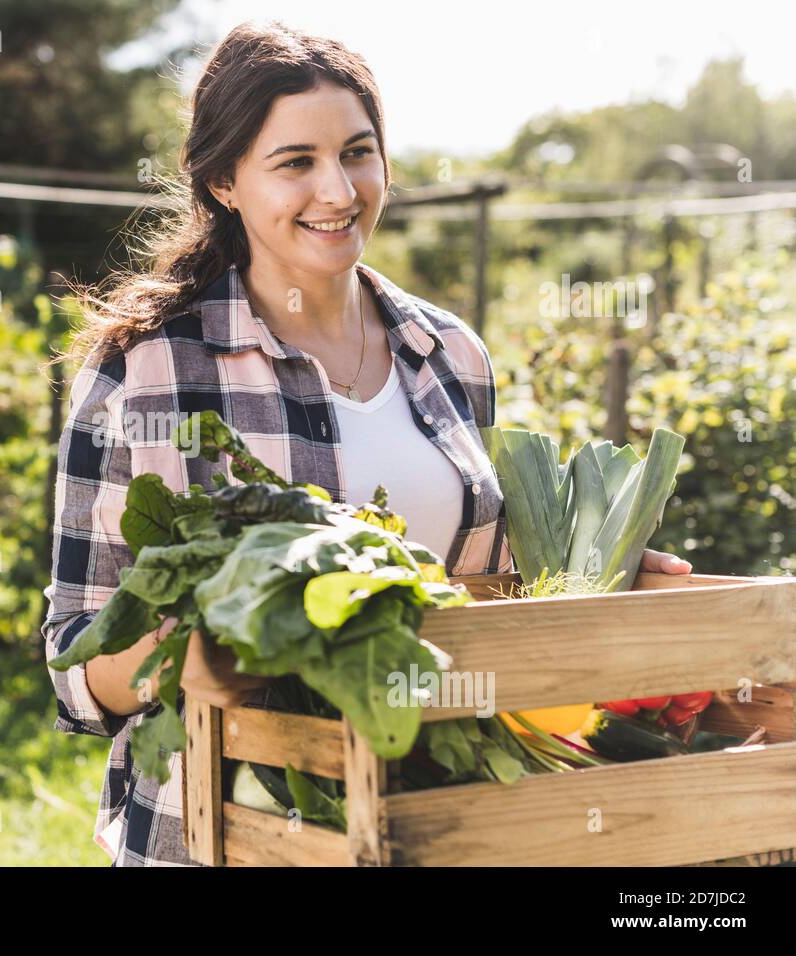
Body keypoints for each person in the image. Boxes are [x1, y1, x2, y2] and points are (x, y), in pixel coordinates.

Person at [39, 20, 691, 867]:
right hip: (220, 834)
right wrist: (183, 658)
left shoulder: (450, 353)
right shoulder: (148, 373)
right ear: (224, 182)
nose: (339, 190)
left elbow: (472, 596)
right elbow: (71, 661)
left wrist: (597, 579)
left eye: (357, 152)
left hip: (433, 819)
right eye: (295, 162)